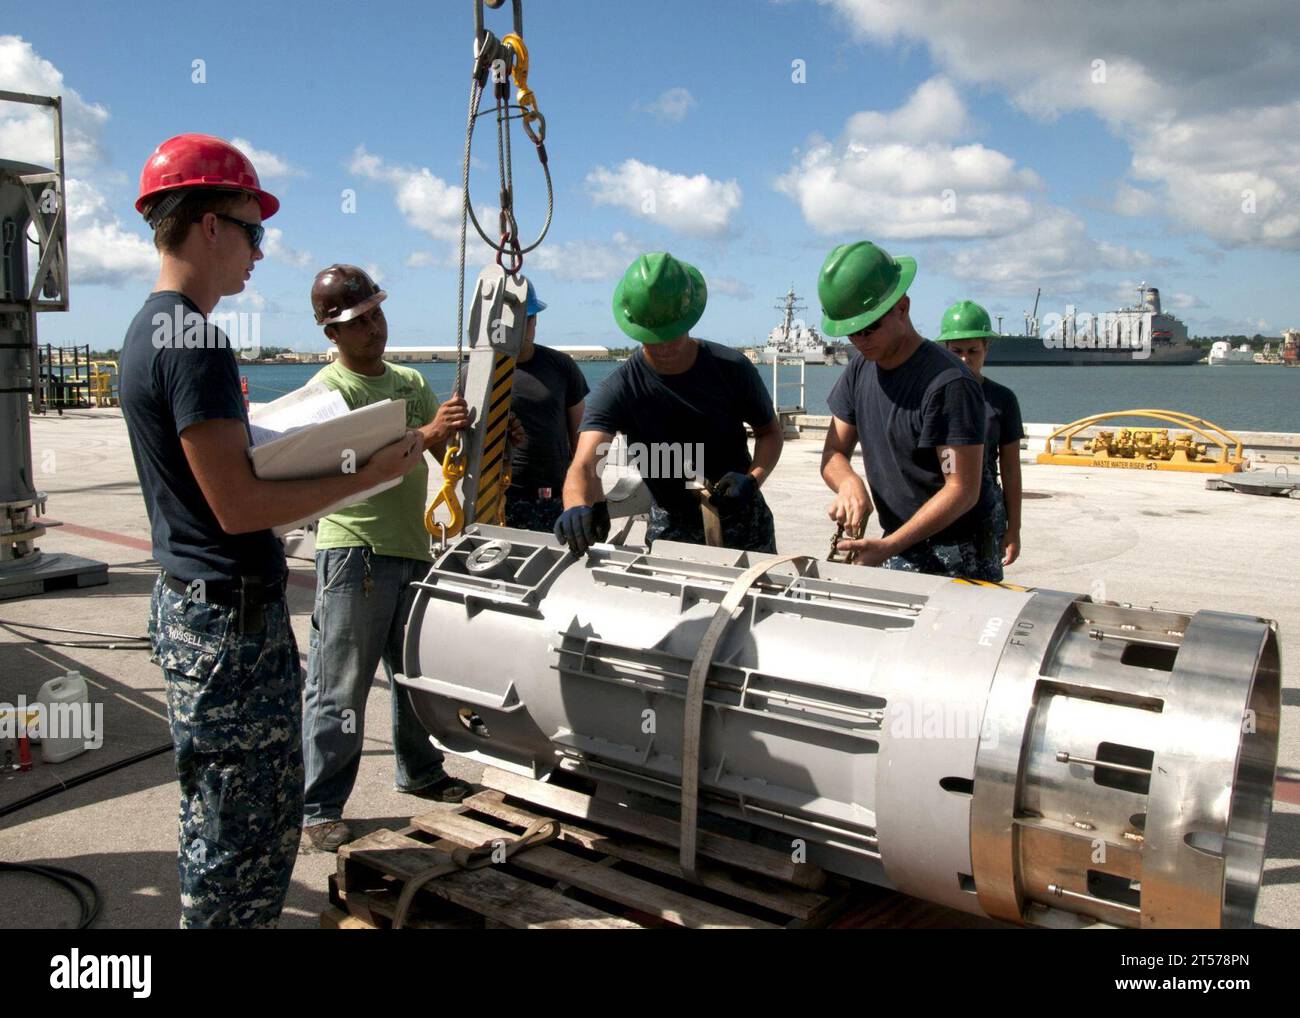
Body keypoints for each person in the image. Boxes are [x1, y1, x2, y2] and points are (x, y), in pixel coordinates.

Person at [119, 135, 424, 927]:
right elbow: (237, 507)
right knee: (245, 847)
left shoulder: (147, 331)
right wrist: (372, 470)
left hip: (198, 612)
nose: (260, 252)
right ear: (209, 226)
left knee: (214, 824)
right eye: (253, 231)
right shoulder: (195, 343)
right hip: (231, 626)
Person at [300, 265, 473, 853]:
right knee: (340, 685)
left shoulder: (406, 379)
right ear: (332, 333)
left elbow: (443, 445)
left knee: (414, 678)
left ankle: (421, 772)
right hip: (356, 551)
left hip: (411, 549)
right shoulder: (332, 391)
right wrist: (428, 433)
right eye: (358, 321)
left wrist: (475, 431)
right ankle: (320, 805)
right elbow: (359, 464)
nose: (374, 327)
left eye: (375, 313)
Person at [557, 253, 783, 555]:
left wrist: (753, 480)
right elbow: (584, 464)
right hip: (672, 528)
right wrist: (575, 506)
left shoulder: (732, 369)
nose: (663, 346)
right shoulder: (620, 388)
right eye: (653, 337)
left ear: (689, 319)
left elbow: (769, 432)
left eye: (672, 335)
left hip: (744, 522)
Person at [817, 240, 1002, 579]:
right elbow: (833, 451)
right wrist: (848, 483)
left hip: (957, 550)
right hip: (898, 539)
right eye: (851, 333)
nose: (860, 341)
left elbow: (961, 488)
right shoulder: (859, 370)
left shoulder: (949, 385)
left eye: (869, 328)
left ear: (902, 309)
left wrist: (891, 546)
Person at [934, 300, 1024, 575]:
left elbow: (1010, 468)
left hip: (985, 515)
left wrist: (1014, 529)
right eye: (956, 351)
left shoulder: (1002, 400)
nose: (965, 358)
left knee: (985, 597)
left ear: (986, 348)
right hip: (939, 513)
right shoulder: (933, 396)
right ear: (945, 351)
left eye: (973, 350)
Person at [502, 281, 589, 533]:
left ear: (535, 321)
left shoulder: (561, 366)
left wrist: (587, 497)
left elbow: (582, 438)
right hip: (502, 496)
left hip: (554, 495)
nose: (519, 329)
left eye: (525, 320)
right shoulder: (478, 375)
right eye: (512, 322)